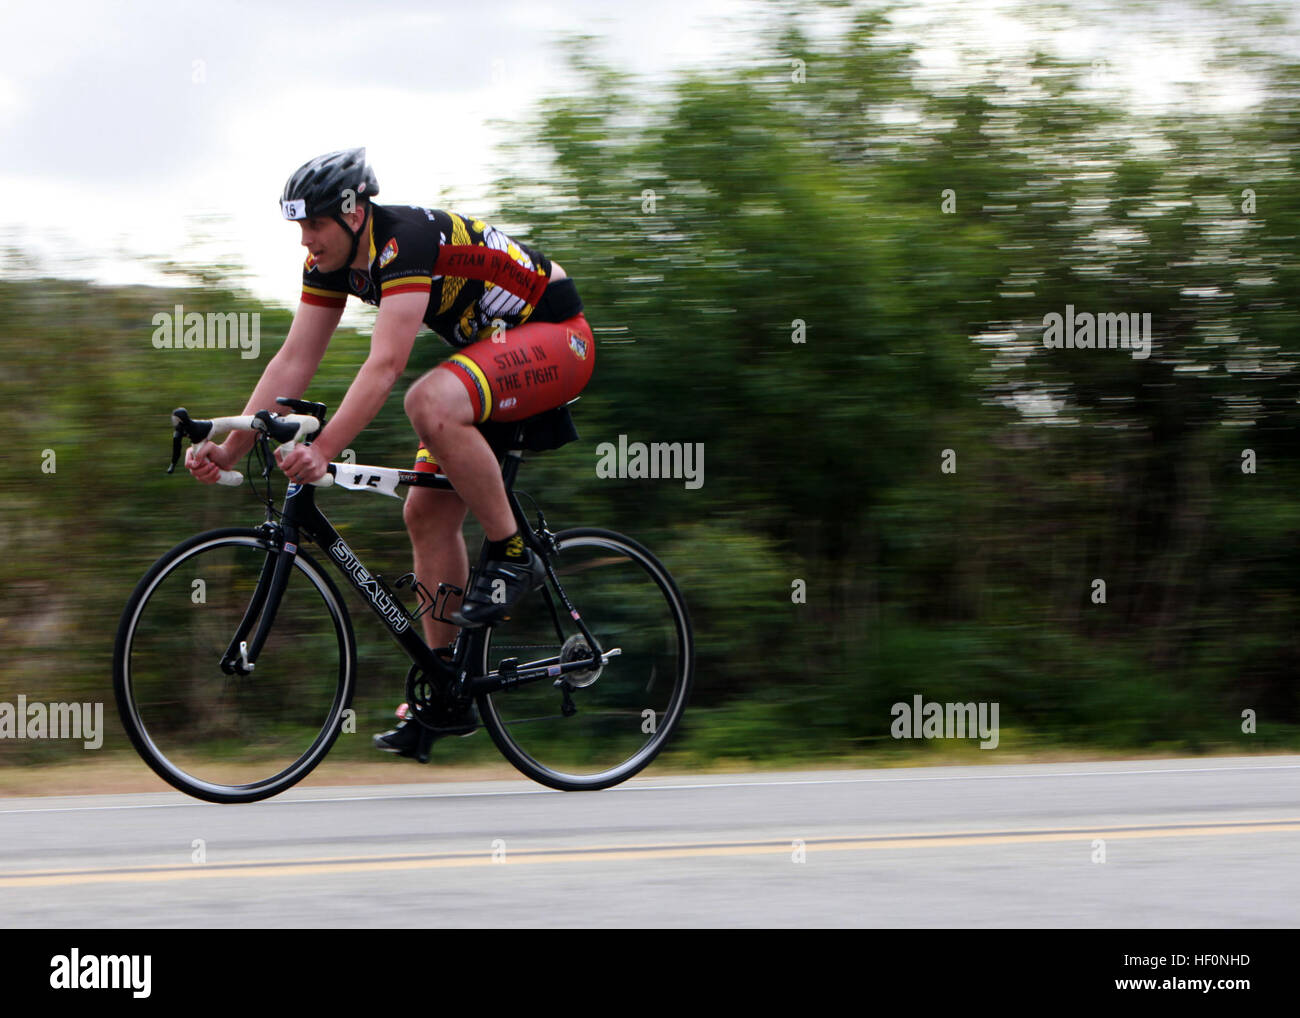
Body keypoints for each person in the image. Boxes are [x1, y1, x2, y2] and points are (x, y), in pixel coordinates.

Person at [185, 147, 595, 761]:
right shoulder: (333, 263)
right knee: (426, 514)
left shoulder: (403, 243)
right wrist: (230, 447)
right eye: (299, 228)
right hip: (494, 354)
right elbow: (294, 360)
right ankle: (449, 688)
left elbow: (386, 366)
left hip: (556, 339)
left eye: (314, 226)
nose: (306, 242)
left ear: (352, 215)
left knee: (428, 399)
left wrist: (323, 450)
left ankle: (514, 554)